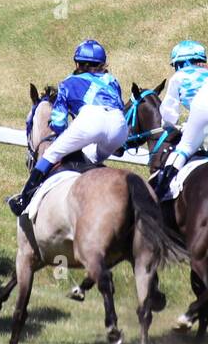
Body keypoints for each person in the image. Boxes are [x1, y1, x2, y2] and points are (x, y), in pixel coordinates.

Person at [8, 40, 128, 216]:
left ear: (77, 63)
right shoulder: (113, 81)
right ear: (102, 63)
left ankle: (23, 200)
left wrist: (63, 132)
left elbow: (58, 122)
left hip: (90, 120)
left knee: (50, 155)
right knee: (91, 158)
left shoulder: (68, 82)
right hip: (119, 126)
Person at [150, 40, 208, 199]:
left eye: (176, 64)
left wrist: (169, 126)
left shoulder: (179, 75)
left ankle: (160, 192)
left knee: (184, 148)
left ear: (182, 62)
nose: (176, 68)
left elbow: (168, 114)